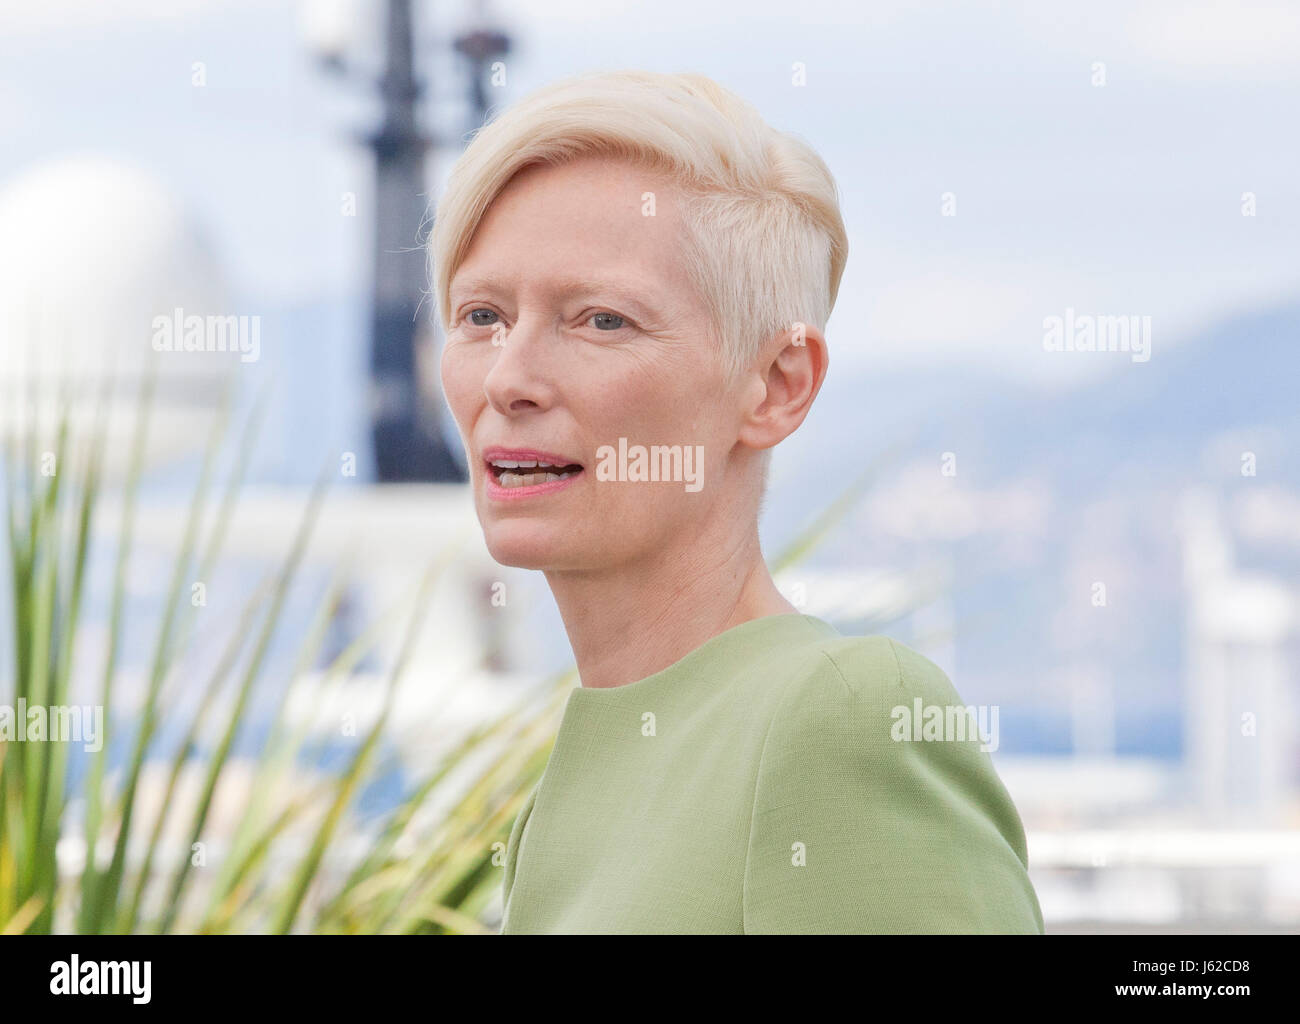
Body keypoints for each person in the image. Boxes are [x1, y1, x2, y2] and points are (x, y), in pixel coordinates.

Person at [430, 69, 1044, 934]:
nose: (509, 377)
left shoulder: (840, 718)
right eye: (482, 316)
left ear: (775, 386)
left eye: (601, 320)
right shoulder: (583, 775)